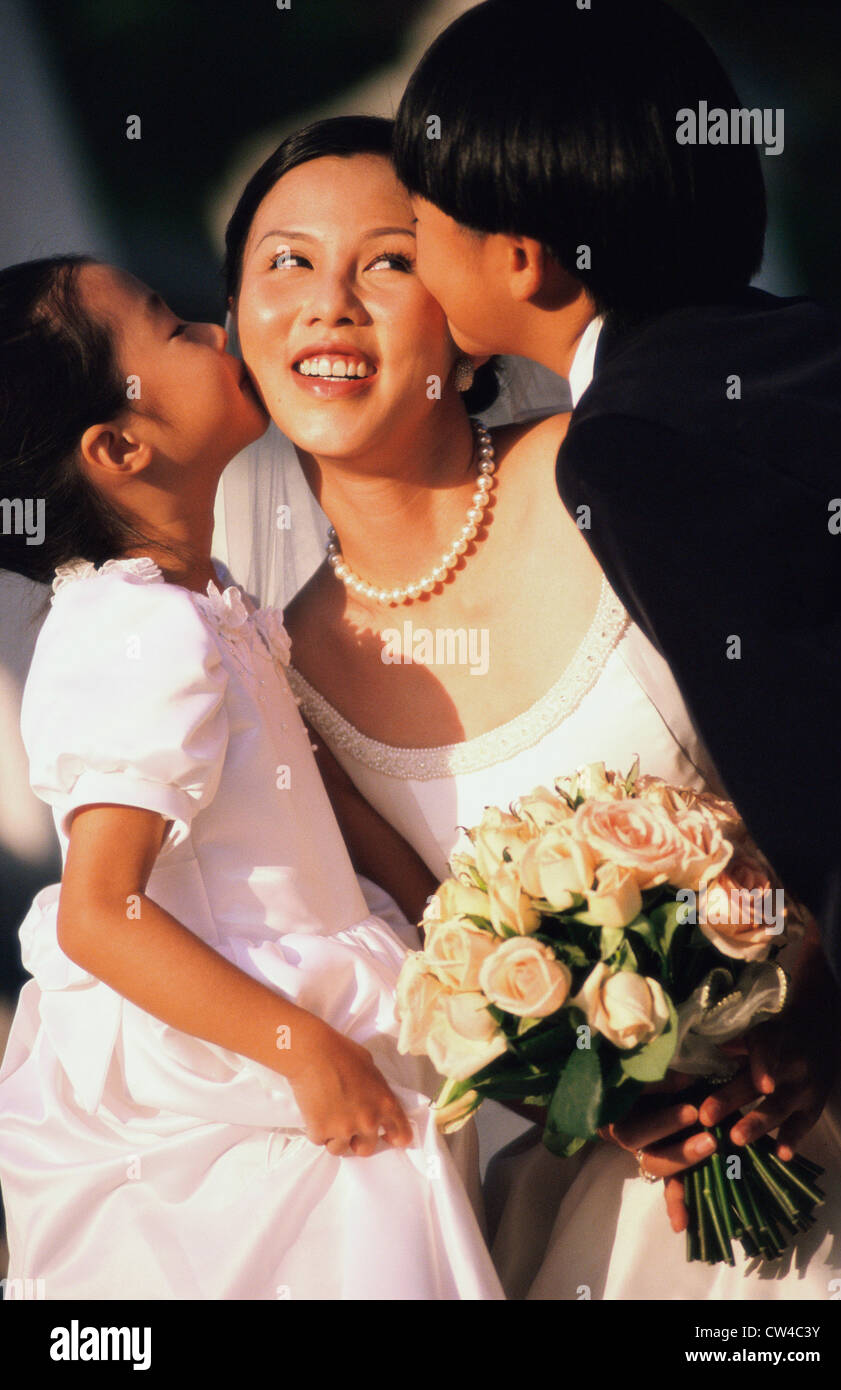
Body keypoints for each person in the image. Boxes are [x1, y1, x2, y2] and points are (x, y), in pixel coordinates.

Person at [219, 116, 841, 1298]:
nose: (331, 305)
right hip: (648, 1205)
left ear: (466, 325)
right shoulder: (274, 676)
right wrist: (606, 1095)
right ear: (233, 338)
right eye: (288, 263)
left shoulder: (613, 466)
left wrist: (815, 994)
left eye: (388, 259)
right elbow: (434, 967)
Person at [0, 254, 504, 1300]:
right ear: (120, 446)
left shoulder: (203, 601)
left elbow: (335, 809)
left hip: (305, 1021)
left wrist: (463, 938)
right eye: (173, 330)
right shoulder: (137, 629)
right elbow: (100, 910)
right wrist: (300, 1049)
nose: (215, 328)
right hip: (247, 1070)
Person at [392, 0, 841, 1037]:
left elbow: (817, 771)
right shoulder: (812, 340)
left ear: (524, 260)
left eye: (417, 230)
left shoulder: (631, 445)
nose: (414, 265)